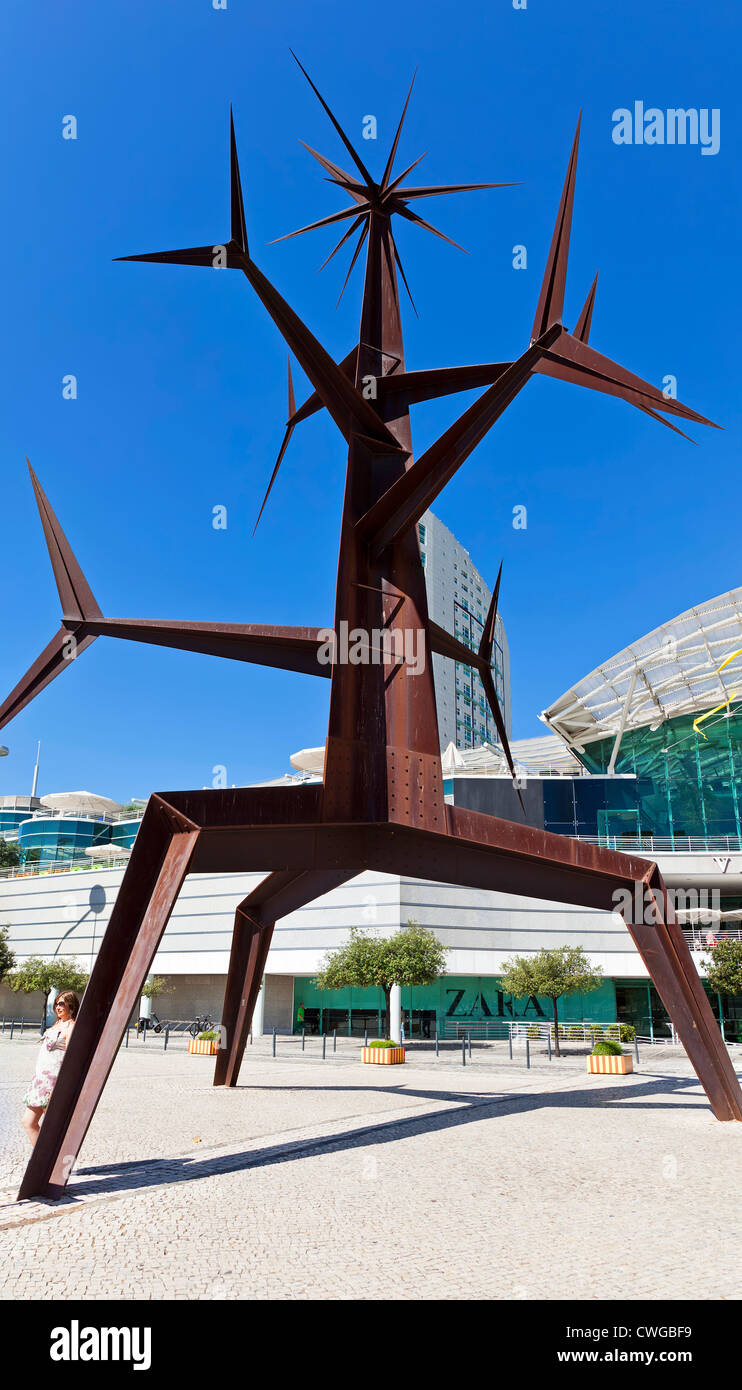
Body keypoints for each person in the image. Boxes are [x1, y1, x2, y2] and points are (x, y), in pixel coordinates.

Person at [21, 990, 79, 1147]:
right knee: (28, 1122)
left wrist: (60, 1086)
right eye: (56, 1004)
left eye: (61, 1003)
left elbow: (70, 1059)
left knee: (51, 1128)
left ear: (71, 1005)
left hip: (53, 1083)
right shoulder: (57, 1024)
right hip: (40, 1080)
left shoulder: (71, 1026)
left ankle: (49, 1164)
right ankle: (41, 1161)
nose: (57, 1007)